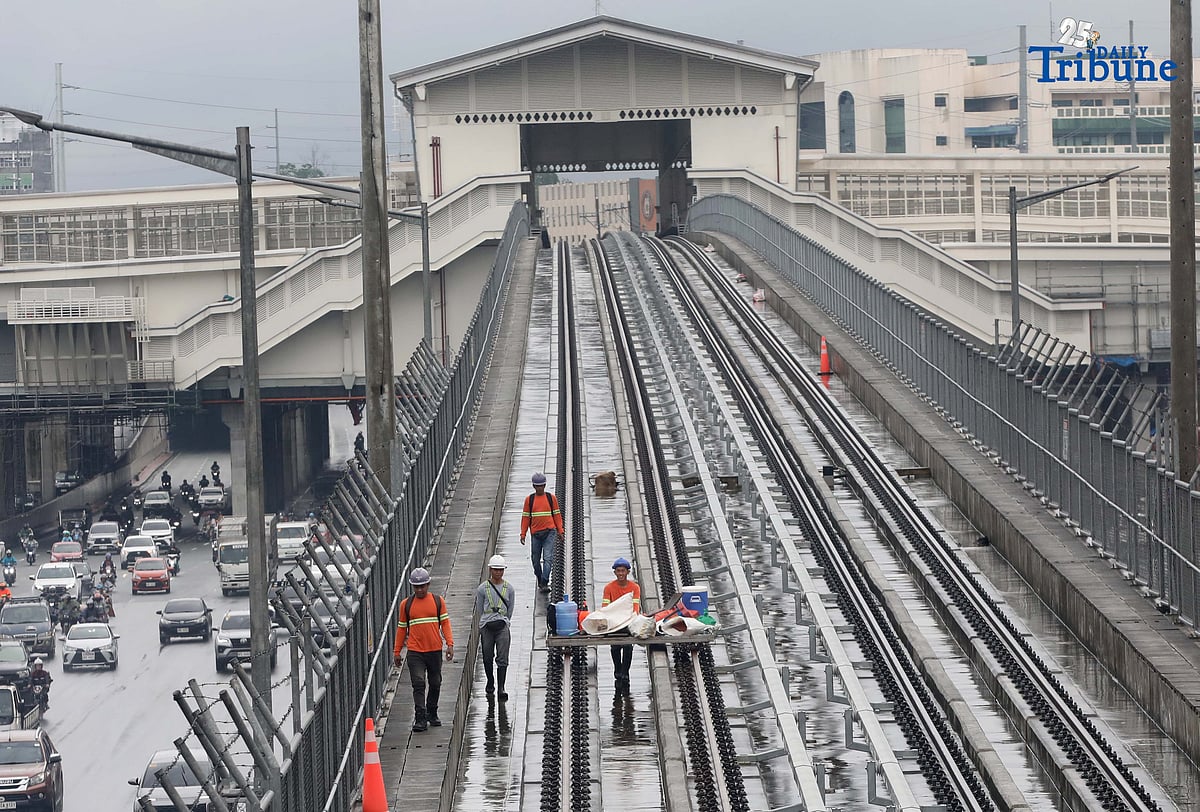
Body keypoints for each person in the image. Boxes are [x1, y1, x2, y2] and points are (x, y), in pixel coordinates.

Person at [393, 567, 454, 732]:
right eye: (416, 587)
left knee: (435, 682)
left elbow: (445, 623)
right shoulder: (406, 605)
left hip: (434, 650)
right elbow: (401, 629)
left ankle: (432, 712)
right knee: (418, 683)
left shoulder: (437, 601)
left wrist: (450, 644)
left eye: (422, 586)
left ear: (428, 584)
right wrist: (397, 651)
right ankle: (420, 717)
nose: (420, 590)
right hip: (415, 652)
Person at [475, 555, 515, 701]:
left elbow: (510, 610)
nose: (498, 572)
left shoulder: (509, 589)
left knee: (502, 657)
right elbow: (480, 609)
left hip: (502, 625)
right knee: (487, 656)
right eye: (495, 569)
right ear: (490, 570)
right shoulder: (482, 589)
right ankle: (490, 680)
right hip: (487, 626)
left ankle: (501, 687)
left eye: (500, 570)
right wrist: (485, 621)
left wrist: (504, 621)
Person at [519, 472, 564, 592]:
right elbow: (526, 517)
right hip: (536, 534)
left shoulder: (551, 498)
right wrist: (523, 533)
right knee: (535, 559)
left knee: (548, 558)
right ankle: (539, 577)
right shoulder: (530, 500)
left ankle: (544, 581)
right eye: (538, 486)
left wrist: (560, 530)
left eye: (542, 486)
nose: (540, 488)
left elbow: (557, 515)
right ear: (534, 486)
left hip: (549, 532)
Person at [603, 557, 641, 692]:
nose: (620, 574)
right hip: (614, 622)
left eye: (623, 571)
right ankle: (617, 670)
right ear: (615, 572)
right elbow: (605, 606)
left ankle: (625, 672)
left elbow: (635, 606)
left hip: (627, 621)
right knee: (615, 647)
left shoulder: (634, 587)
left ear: (627, 572)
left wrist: (632, 618)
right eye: (618, 571)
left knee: (627, 647)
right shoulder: (609, 588)